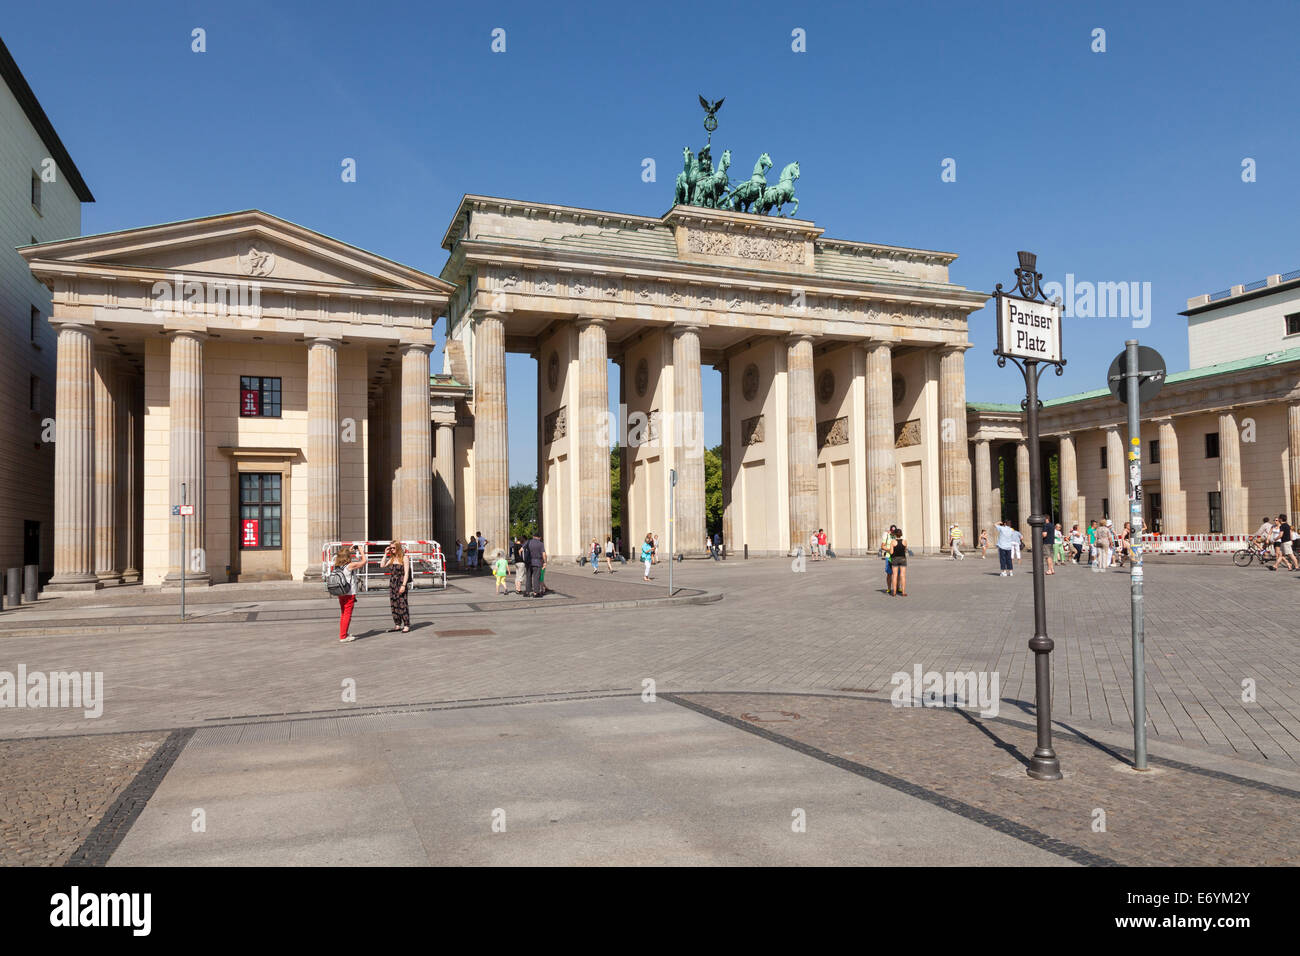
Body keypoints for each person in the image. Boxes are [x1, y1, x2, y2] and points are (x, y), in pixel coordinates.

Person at [328, 546, 367, 643]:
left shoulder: (337, 565)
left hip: (340, 592)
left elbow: (342, 555)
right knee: (347, 614)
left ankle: (344, 633)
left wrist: (349, 550)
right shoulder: (350, 565)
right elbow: (364, 561)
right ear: (347, 556)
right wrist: (362, 551)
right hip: (349, 593)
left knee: (343, 613)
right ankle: (343, 636)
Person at [380, 541, 412, 633]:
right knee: (394, 604)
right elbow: (382, 565)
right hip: (393, 583)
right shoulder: (392, 558)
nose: (392, 550)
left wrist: (403, 585)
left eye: (393, 548)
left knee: (402, 603)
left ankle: (406, 625)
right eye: (391, 548)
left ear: (398, 548)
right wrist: (385, 554)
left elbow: (406, 573)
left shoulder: (404, 558)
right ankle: (397, 624)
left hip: (401, 582)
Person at [524, 533, 547, 598]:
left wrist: (524, 559)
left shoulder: (528, 542)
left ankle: (527, 592)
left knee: (528, 577)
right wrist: (545, 562)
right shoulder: (540, 544)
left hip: (528, 562)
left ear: (533, 536)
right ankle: (536, 592)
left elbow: (521, 550)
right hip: (537, 562)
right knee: (536, 577)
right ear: (539, 537)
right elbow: (544, 554)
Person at [889, 528, 908, 597]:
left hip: (895, 559)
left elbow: (891, 552)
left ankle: (894, 592)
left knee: (895, 575)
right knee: (902, 575)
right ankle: (903, 592)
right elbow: (905, 550)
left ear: (895, 534)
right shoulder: (905, 541)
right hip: (903, 558)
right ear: (901, 534)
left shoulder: (893, 542)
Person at [879, 524, 898, 590]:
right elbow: (882, 546)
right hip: (889, 556)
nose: (893, 533)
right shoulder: (886, 535)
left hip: (896, 556)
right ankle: (889, 588)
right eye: (892, 532)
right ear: (890, 531)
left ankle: (898, 588)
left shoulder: (897, 535)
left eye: (894, 532)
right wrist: (889, 549)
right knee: (889, 573)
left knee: (897, 573)